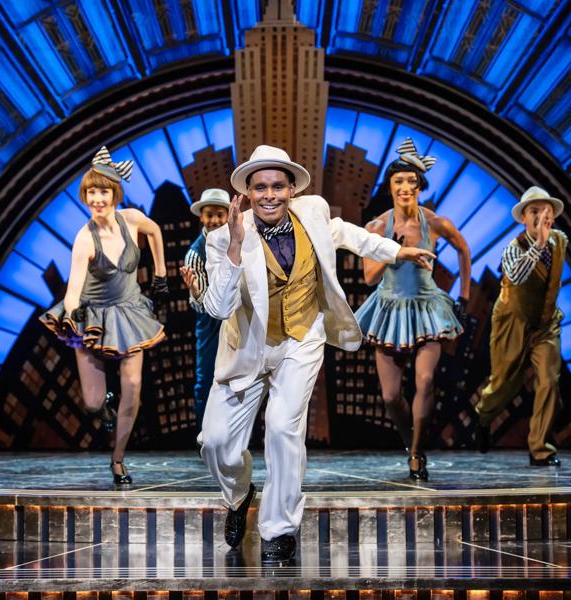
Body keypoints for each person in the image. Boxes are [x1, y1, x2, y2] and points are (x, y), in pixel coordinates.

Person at [198, 144, 435, 563]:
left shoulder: (313, 212)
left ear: (292, 189)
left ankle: (278, 529)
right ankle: (238, 494)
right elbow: (217, 308)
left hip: (301, 339)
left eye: (278, 186)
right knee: (217, 444)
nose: (269, 195)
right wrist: (235, 246)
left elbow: (350, 234)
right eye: (260, 187)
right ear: (248, 193)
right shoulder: (222, 238)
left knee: (283, 428)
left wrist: (397, 251)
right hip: (246, 349)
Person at [40, 146, 169, 485]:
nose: (97, 199)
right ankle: (105, 404)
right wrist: (74, 313)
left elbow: (155, 232)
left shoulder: (132, 220)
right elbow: (73, 289)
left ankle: (118, 459)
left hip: (129, 311)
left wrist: (160, 275)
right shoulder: (85, 239)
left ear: (114, 194)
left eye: (103, 192)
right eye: (91, 193)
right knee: (93, 402)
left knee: (134, 384)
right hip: (94, 317)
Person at [355, 138, 471, 481]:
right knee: (391, 396)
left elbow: (463, 249)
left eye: (411, 181)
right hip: (389, 311)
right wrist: (391, 250)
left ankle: (418, 453)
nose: (405, 187)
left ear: (420, 186)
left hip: (426, 310)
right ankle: (411, 443)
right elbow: (369, 277)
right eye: (399, 181)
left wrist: (464, 296)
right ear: (390, 186)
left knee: (425, 379)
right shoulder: (377, 227)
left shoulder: (434, 222)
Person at [475, 186, 567, 467]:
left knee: (549, 380)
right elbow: (516, 276)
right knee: (503, 383)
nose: (540, 216)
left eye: (544, 210)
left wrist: (546, 242)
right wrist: (538, 245)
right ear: (524, 219)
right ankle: (484, 416)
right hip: (512, 323)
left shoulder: (560, 240)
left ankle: (540, 449)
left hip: (545, 324)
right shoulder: (513, 249)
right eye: (533, 211)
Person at [180, 189, 230, 428]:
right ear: (201, 217)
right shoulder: (195, 253)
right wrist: (196, 291)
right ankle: (205, 433)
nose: (215, 220)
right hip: (211, 325)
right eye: (210, 214)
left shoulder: (238, 242)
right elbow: (201, 305)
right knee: (207, 378)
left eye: (220, 214)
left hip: (237, 319)